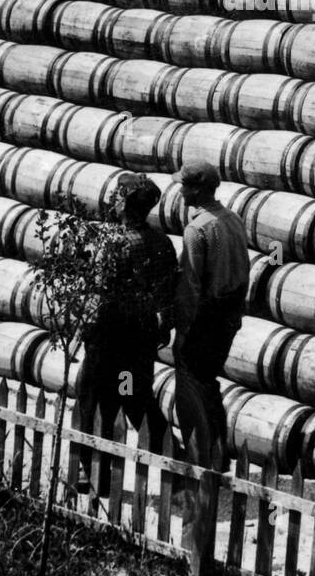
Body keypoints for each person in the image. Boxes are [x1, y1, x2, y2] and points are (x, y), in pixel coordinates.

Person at [73, 172, 176, 477]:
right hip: (141, 332)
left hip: (109, 333)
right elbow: (167, 289)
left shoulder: (114, 243)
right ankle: (170, 453)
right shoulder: (161, 241)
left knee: (92, 395)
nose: (113, 199)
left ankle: (94, 471)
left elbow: (100, 292)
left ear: (126, 203)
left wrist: (84, 328)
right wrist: (163, 325)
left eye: (118, 195)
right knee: (134, 392)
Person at [172, 160, 250, 469]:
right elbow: (245, 270)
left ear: (197, 189)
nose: (180, 192)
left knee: (191, 387)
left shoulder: (197, 230)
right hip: (229, 314)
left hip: (204, 318)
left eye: (184, 186)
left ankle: (201, 456)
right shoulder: (232, 219)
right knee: (208, 382)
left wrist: (181, 329)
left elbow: (190, 285)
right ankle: (219, 454)